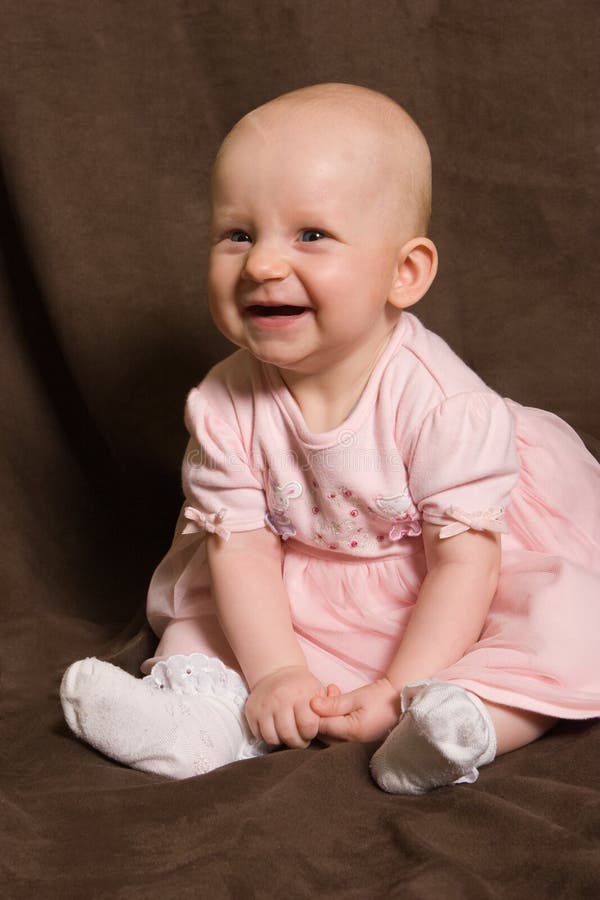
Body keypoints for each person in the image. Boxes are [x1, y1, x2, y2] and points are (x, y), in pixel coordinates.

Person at [60, 83, 600, 795]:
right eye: (238, 233)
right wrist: (278, 671)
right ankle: (201, 723)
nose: (261, 265)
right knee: (207, 619)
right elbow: (244, 549)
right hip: (295, 583)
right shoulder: (225, 402)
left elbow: (463, 568)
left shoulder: (444, 405)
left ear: (403, 273)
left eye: (310, 235)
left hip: (446, 580)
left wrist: (403, 681)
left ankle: (459, 722)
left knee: (560, 624)